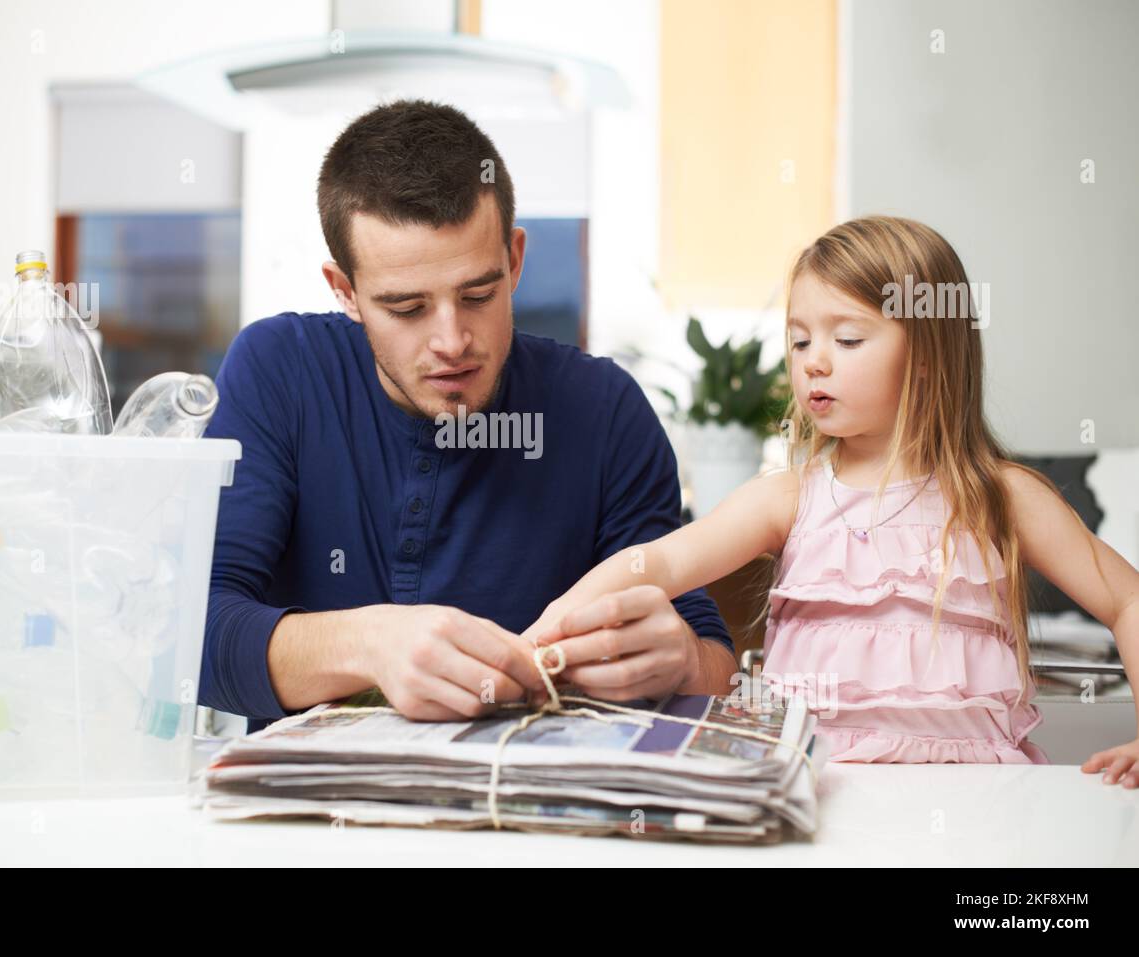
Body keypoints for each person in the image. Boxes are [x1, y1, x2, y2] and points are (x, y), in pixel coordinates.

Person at [527, 216, 1139, 783]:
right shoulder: (788, 499)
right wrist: (534, 640)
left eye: (847, 340)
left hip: (978, 806)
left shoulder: (1002, 498)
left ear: (927, 354)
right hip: (820, 800)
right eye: (799, 342)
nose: (814, 362)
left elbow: (1126, 598)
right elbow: (654, 564)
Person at [199, 99, 734, 733]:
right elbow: (189, 633)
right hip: (314, 821)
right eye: (406, 308)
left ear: (515, 258)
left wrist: (679, 663)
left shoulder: (604, 409)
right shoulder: (279, 369)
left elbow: (716, 664)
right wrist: (369, 644)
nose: (452, 341)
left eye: (478, 294)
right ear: (344, 290)